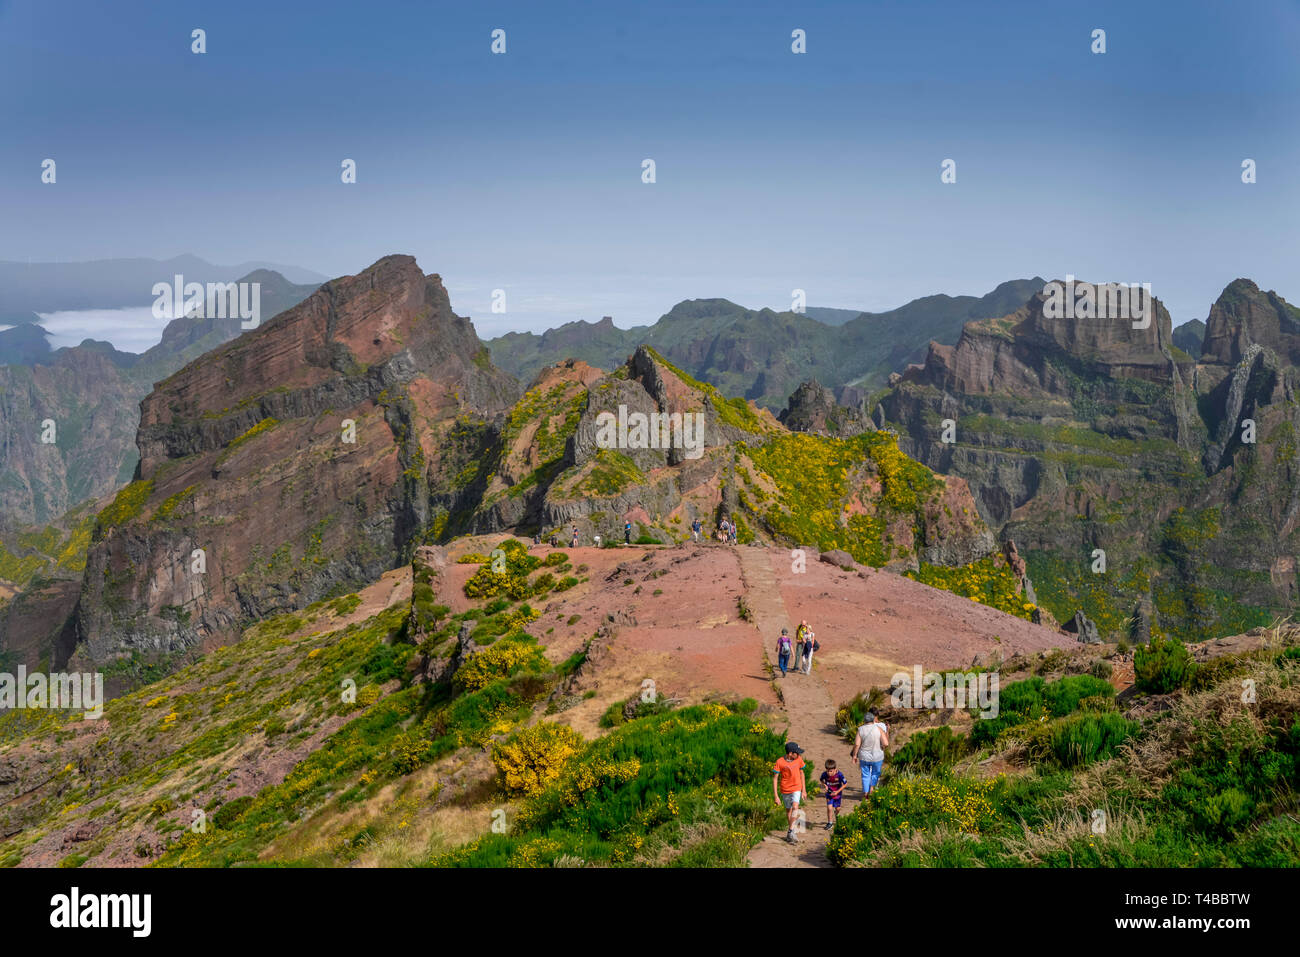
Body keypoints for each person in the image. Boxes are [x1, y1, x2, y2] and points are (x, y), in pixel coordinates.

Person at [772, 742, 806, 844]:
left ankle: (791, 831)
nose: (799, 755)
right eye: (797, 753)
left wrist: (803, 790)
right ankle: (791, 832)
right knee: (789, 810)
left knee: (795, 807)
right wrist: (776, 796)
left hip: (796, 787)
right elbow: (775, 779)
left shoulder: (799, 759)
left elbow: (802, 773)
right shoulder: (780, 762)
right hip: (785, 789)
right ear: (790, 753)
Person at [851, 708, 888, 795]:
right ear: (872, 719)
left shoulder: (860, 729)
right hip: (877, 756)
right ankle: (872, 787)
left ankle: (866, 793)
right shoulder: (879, 729)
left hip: (864, 757)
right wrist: (882, 747)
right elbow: (886, 743)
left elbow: (857, 744)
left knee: (865, 775)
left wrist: (854, 756)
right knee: (876, 773)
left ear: (864, 720)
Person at [819, 759, 846, 830]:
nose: (829, 773)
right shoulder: (824, 774)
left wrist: (837, 792)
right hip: (829, 793)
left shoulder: (839, 775)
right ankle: (830, 823)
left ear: (835, 769)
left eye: (830, 771)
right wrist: (825, 785)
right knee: (829, 808)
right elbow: (821, 780)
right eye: (827, 771)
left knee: (838, 808)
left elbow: (845, 784)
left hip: (837, 794)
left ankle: (836, 814)